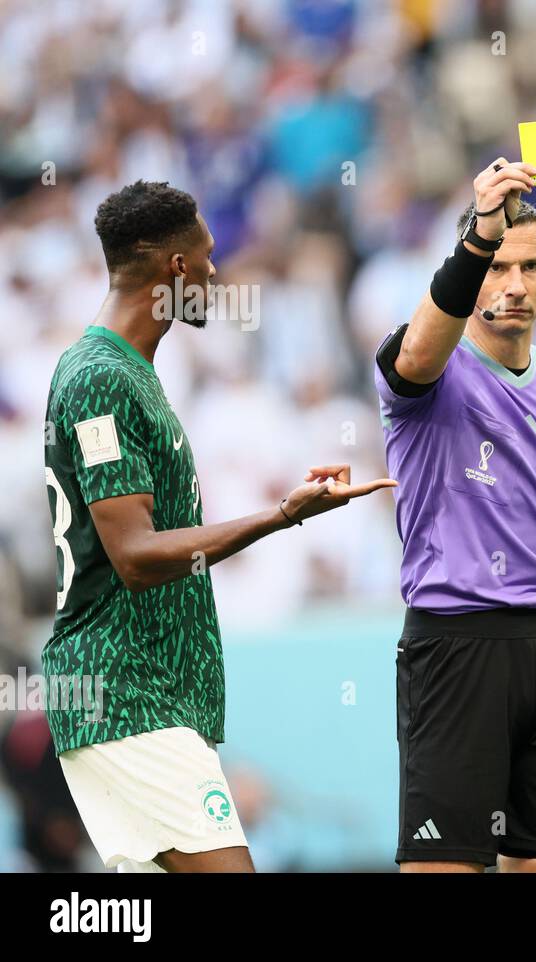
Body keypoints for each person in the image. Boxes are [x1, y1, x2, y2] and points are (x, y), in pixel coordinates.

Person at [44, 180, 394, 873]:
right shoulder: (99, 378)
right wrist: (281, 517)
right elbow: (135, 555)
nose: (215, 274)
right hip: (122, 692)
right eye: (206, 258)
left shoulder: (130, 373)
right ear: (176, 269)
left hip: (147, 696)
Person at [375, 158, 536, 873]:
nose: (516, 285)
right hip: (456, 649)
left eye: (533, 267)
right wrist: (480, 233)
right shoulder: (430, 369)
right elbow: (421, 348)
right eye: (498, 267)